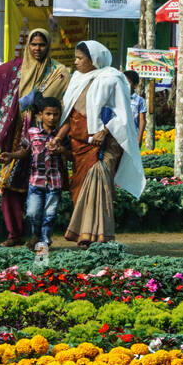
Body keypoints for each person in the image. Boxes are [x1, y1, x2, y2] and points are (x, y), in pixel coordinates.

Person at [0, 28, 71, 246]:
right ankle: (14, 234)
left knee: (42, 185)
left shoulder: (59, 72)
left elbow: (67, 104)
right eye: (34, 44)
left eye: (41, 44)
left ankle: (38, 235)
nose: (37, 49)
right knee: (10, 183)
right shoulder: (16, 67)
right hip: (17, 133)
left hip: (46, 135)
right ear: (28, 46)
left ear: (48, 45)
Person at [55, 40, 145, 245]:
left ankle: (98, 236)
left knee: (99, 186)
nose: (75, 62)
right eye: (75, 57)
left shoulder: (112, 78)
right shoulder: (77, 79)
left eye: (80, 58)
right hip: (79, 144)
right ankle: (82, 233)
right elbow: (70, 115)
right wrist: (58, 138)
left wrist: (103, 131)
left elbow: (122, 114)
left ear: (93, 59)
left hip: (102, 145)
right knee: (79, 188)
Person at [14, 96, 69, 253]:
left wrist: (61, 151)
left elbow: (71, 154)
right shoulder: (32, 133)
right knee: (32, 213)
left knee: (50, 214)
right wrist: (11, 156)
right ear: (40, 115)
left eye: (56, 114)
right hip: (35, 181)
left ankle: (44, 241)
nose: (52, 118)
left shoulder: (61, 135)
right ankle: (35, 236)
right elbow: (24, 151)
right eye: (48, 114)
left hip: (55, 182)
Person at [125, 70, 147, 136]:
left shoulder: (140, 100)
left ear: (135, 85)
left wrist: (139, 138)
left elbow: (142, 120)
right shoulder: (118, 98)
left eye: (128, 83)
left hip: (133, 135)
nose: (125, 85)